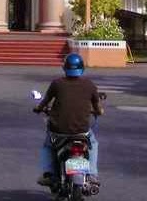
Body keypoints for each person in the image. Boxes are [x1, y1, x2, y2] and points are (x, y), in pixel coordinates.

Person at [33, 53, 102, 187]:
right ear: (82, 68)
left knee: (48, 145)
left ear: (64, 68)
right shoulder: (90, 85)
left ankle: (49, 174)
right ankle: (92, 174)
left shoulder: (56, 83)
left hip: (58, 131)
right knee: (93, 144)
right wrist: (99, 112)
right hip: (81, 132)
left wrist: (38, 108)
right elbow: (98, 107)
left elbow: (45, 102)